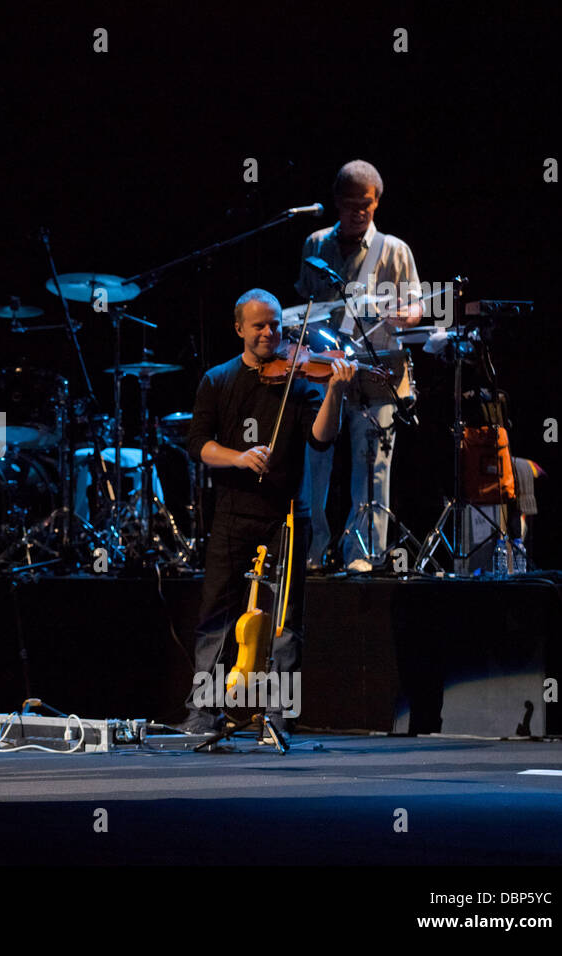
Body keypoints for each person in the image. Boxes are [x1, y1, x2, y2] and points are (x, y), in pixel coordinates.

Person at [179, 289, 356, 735]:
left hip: (288, 516)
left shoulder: (300, 382)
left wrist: (334, 391)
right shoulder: (218, 379)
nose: (269, 333)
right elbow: (199, 444)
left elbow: (321, 437)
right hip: (234, 513)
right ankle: (204, 712)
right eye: (258, 325)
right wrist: (238, 457)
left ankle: (279, 716)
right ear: (239, 328)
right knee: (216, 617)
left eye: (275, 324)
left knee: (286, 620)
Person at [295, 160, 422, 572]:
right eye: (349, 205)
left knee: (373, 467)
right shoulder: (315, 244)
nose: (357, 213)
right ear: (336, 202)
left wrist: (408, 314)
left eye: (365, 205)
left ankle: (364, 554)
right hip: (326, 372)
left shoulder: (395, 250)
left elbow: (418, 305)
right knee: (316, 463)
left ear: (377, 202)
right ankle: (313, 550)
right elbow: (306, 305)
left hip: (377, 371)